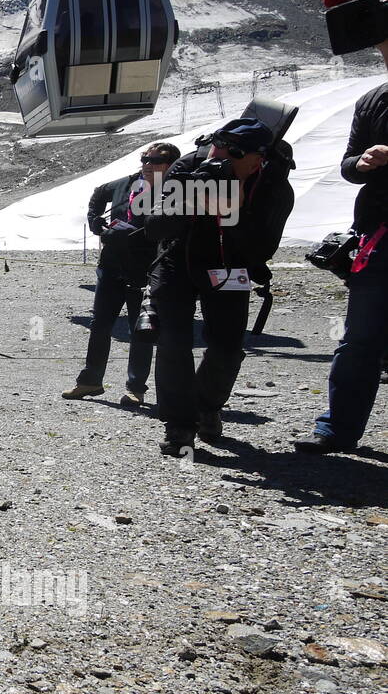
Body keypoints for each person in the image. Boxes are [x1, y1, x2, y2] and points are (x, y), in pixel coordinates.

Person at [147, 118, 294, 455]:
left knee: (227, 346)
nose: (215, 159)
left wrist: (235, 211)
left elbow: (263, 249)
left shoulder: (273, 185)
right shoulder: (189, 166)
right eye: (213, 150)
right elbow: (154, 227)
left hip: (231, 263)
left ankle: (207, 406)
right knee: (173, 341)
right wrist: (193, 199)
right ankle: (179, 425)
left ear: (257, 160)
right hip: (178, 260)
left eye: (227, 157)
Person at [295, 36, 388, 453]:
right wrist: (363, 162)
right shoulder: (372, 101)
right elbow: (349, 166)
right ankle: (337, 429)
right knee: (360, 339)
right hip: (379, 236)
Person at [63, 142, 180, 406]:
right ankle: (90, 381)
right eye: (145, 159)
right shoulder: (126, 183)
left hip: (145, 270)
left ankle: (135, 388)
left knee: (139, 329)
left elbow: (170, 228)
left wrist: (134, 234)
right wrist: (94, 218)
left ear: (171, 164)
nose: (148, 164)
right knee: (100, 324)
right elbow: (99, 193)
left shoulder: (173, 192)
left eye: (156, 160)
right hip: (111, 265)